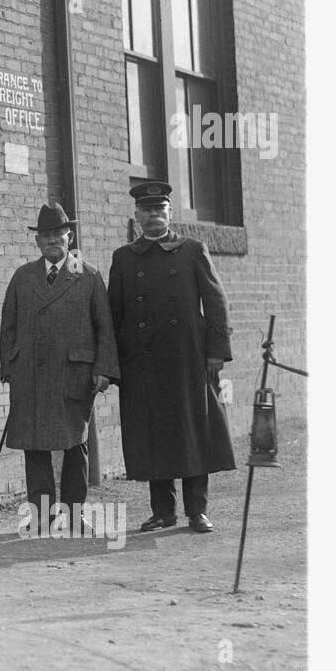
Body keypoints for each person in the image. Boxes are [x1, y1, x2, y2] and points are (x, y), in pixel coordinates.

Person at [108, 180, 236, 533]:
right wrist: (114, 363)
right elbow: (113, 315)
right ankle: (163, 511)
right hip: (143, 362)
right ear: (136, 216)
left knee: (193, 433)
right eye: (146, 211)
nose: (153, 217)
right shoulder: (124, 257)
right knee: (154, 436)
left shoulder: (192, 250)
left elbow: (216, 302)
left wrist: (216, 352)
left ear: (169, 213)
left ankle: (198, 510)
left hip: (188, 360)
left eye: (159, 210)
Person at [0, 201, 120, 534]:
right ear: (38, 242)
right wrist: (8, 366)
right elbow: (7, 325)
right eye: (46, 236)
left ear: (70, 236)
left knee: (74, 444)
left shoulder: (89, 275)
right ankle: (41, 515)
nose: (52, 241)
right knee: (34, 444)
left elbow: (104, 327)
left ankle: (75, 514)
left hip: (73, 374)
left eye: (58, 234)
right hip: (30, 374)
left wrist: (103, 369)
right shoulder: (23, 277)